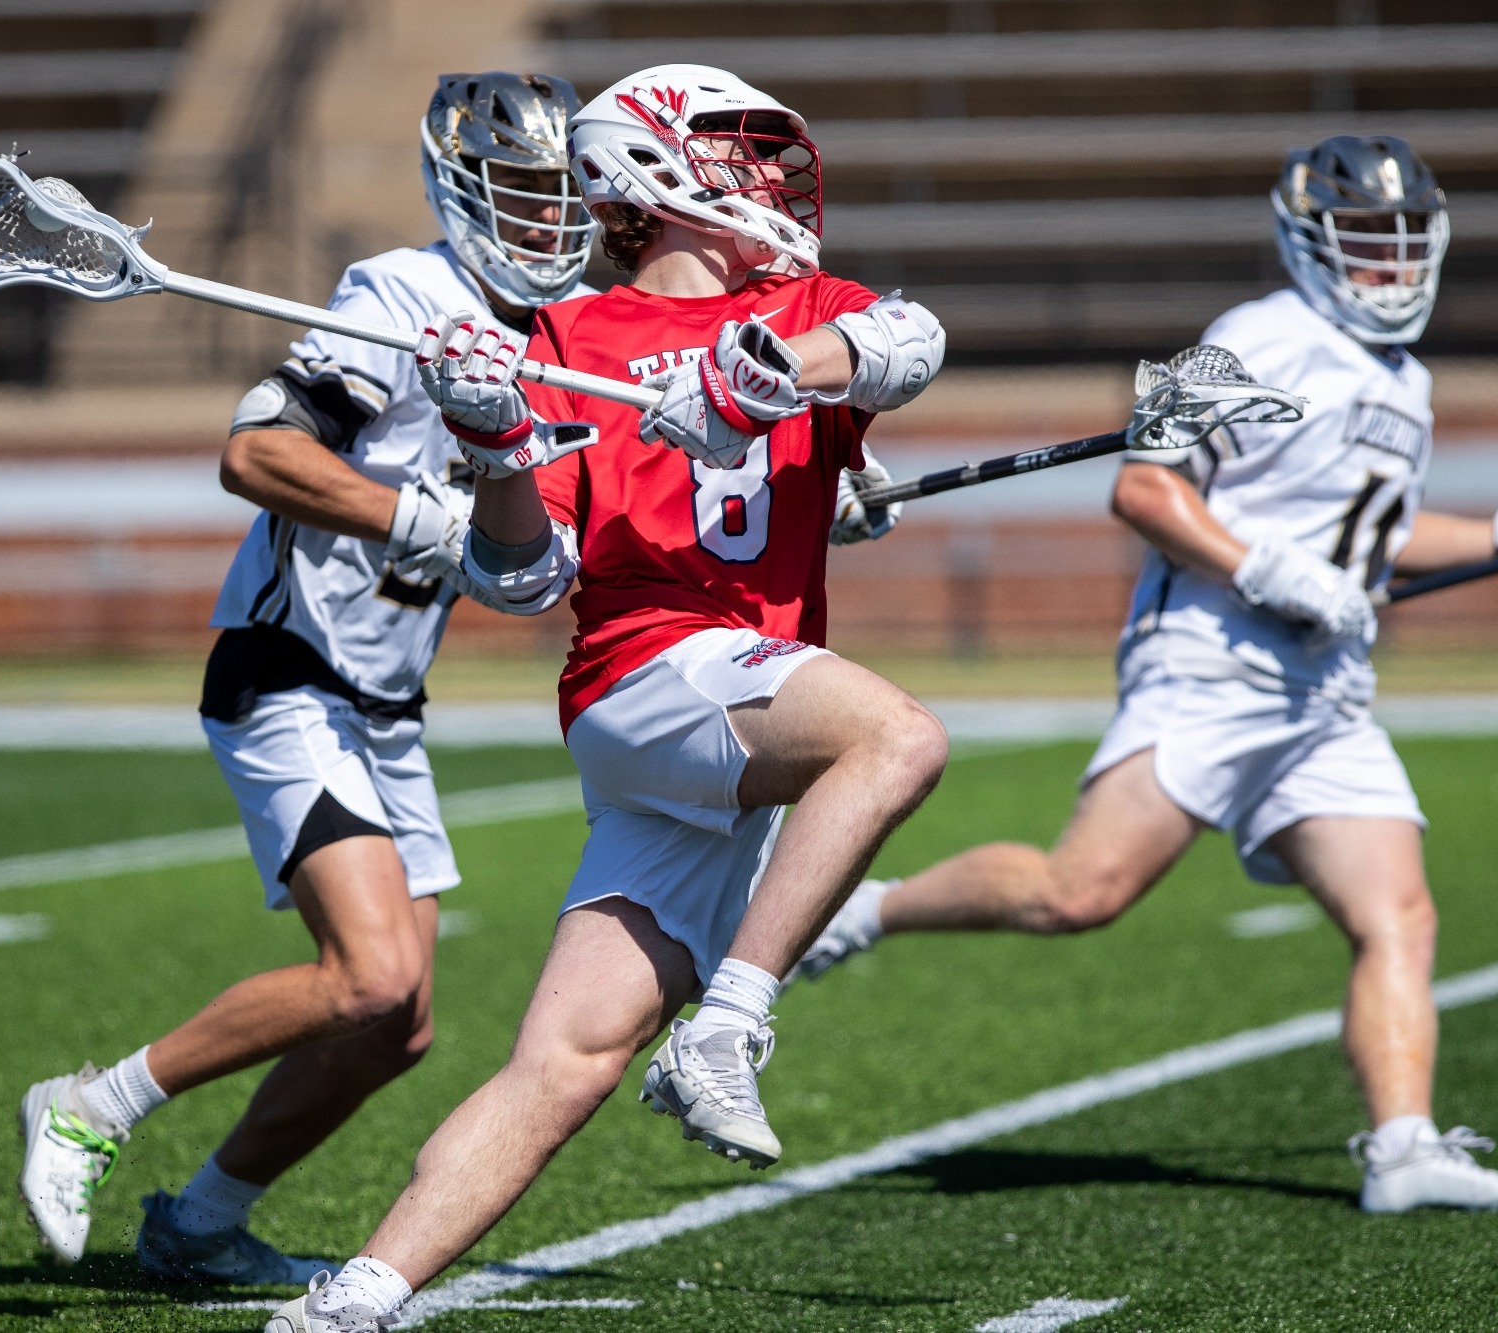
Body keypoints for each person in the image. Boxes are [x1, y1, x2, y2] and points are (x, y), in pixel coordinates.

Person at [795, 135, 1498, 1215]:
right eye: (1364, 243)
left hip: (1323, 688)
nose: (1387, 266)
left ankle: (1401, 1148)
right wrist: (1266, 565)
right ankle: (865, 909)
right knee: (1080, 891)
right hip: (1211, 662)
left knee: (1398, 914)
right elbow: (1144, 489)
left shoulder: (1408, 381)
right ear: (1309, 244)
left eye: (1401, 243)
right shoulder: (1252, 337)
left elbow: (1372, 537)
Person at [266, 63, 948, 1331]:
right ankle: (728, 1027)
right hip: (648, 674)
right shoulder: (570, 342)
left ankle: (348, 1300)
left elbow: (907, 344)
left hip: (736, 707)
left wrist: (769, 376)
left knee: (565, 1062)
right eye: (734, 152)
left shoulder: (796, 306)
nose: (763, 177)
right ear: (653, 173)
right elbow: (521, 580)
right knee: (896, 738)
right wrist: (495, 442)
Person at [14, 73, 599, 1283]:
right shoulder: (403, 296)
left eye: (561, 198)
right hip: (289, 671)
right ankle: (89, 1103)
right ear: (467, 191)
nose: (551, 223)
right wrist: (413, 517)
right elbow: (255, 451)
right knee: (369, 974)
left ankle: (199, 1225)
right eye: (526, 198)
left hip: (384, 703)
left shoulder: (569, 331)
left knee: (400, 1026)